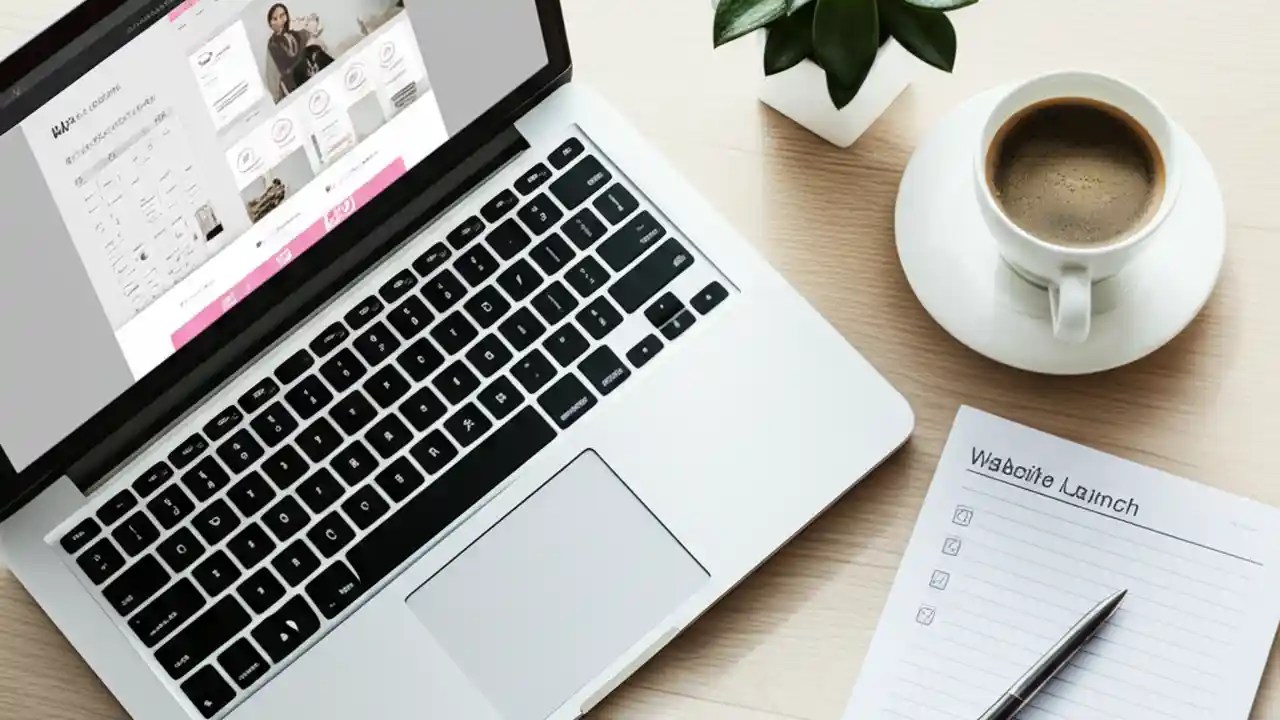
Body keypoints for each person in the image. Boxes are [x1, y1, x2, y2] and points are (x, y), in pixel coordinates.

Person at [264, 3, 334, 97]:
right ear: (270, 23)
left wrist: (311, 24)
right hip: (293, 77)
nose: (280, 21)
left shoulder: (293, 34)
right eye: (275, 19)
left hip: (306, 66)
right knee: (306, 56)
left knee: (315, 50)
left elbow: (309, 33)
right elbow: (284, 66)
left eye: (282, 16)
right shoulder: (273, 43)